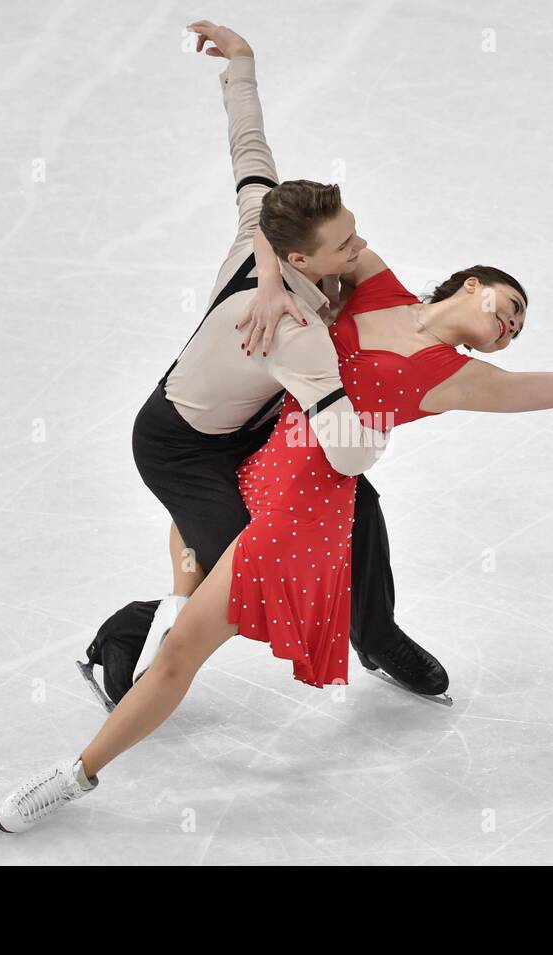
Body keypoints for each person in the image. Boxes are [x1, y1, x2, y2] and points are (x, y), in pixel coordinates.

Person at [0, 24, 553, 835]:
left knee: (352, 531)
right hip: (224, 441)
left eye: (519, 325)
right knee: (209, 583)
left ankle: (367, 635)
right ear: (475, 281)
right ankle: (140, 641)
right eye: (507, 305)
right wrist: (272, 261)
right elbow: (273, 215)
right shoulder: (368, 282)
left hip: (294, 465)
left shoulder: (455, 376)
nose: (511, 326)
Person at [77, 20, 451, 715]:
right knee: (246, 575)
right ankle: (122, 635)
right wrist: (394, 411)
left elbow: (250, 150)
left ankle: (375, 631)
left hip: (248, 421)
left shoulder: (267, 221)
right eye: (347, 244)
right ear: (300, 259)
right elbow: (346, 448)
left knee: (359, 510)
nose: (362, 245)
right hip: (180, 447)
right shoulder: (287, 329)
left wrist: (241, 66)